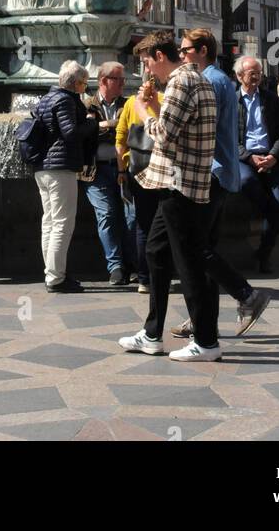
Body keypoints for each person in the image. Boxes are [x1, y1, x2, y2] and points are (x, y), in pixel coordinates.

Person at [118, 32, 219, 362]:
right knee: (156, 252)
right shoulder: (197, 77)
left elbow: (165, 134)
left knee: (188, 263)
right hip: (181, 182)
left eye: (146, 61)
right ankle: (151, 334)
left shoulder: (180, 82)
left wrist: (145, 110)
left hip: (180, 184)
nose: (146, 69)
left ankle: (206, 342)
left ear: (160, 56)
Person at [169, 29, 271, 343]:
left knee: (194, 248)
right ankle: (203, 319)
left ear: (201, 50)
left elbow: (198, 128)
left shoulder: (208, 81)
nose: (181, 55)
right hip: (222, 172)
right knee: (203, 249)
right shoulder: (221, 80)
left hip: (209, 173)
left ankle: (246, 295)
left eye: (185, 50)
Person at [116, 35, 176, 294]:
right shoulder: (164, 101)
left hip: (137, 170)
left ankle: (144, 278)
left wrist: (121, 170)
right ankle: (163, 274)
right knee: (165, 227)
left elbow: (120, 140)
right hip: (162, 170)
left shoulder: (130, 103)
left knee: (142, 225)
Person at [33, 61, 98, 294]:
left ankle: (52, 272)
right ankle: (56, 278)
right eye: (84, 82)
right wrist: (92, 124)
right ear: (75, 82)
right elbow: (69, 132)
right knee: (61, 223)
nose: (86, 86)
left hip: (43, 168)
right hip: (60, 168)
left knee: (49, 222)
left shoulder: (47, 98)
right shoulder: (65, 99)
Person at [235, 57, 279, 274]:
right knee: (247, 181)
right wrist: (249, 157)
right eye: (252, 72)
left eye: (259, 72)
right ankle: (275, 215)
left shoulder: (270, 98)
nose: (257, 76)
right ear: (240, 76)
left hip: (272, 158)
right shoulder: (232, 100)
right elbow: (229, 137)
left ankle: (264, 253)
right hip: (245, 159)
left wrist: (274, 156)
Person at [83, 63, 137, 286]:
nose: (124, 83)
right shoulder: (87, 104)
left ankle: (133, 264)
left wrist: (104, 127)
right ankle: (115, 266)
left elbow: (133, 132)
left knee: (131, 216)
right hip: (96, 170)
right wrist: (114, 127)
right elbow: (86, 134)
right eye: (119, 79)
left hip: (126, 168)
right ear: (104, 81)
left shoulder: (129, 104)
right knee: (106, 214)